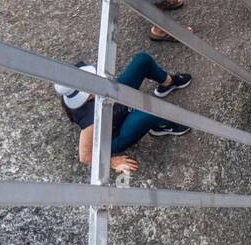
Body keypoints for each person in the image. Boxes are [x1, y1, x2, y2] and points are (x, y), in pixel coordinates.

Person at [57, 53, 193, 174]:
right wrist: (111, 162)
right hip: (116, 132)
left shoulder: (73, 83)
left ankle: (168, 83)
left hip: (115, 102)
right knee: (151, 110)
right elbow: (84, 156)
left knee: (142, 61)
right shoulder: (89, 119)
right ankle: (161, 126)